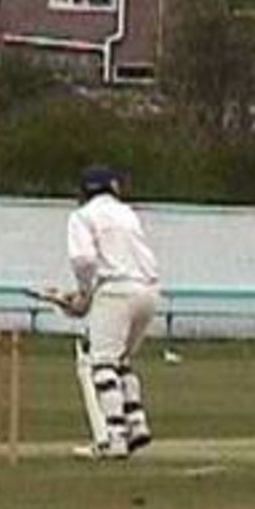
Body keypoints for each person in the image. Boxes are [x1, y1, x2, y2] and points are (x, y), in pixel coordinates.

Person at [64, 166, 160, 459]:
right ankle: (137, 423)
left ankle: (115, 438)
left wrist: (83, 293)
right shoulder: (127, 213)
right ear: (113, 188)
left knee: (102, 363)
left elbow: (83, 260)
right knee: (121, 361)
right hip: (149, 290)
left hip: (116, 290)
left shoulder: (82, 216)